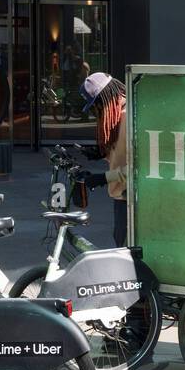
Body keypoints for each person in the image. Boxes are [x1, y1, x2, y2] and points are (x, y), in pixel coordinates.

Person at [78, 71, 131, 247]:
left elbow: (141, 168)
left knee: (126, 254)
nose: (96, 112)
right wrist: (102, 154)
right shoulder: (118, 115)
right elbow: (123, 154)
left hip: (133, 200)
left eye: (96, 106)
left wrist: (103, 178)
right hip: (121, 197)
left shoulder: (130, 117)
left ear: (104, 99)